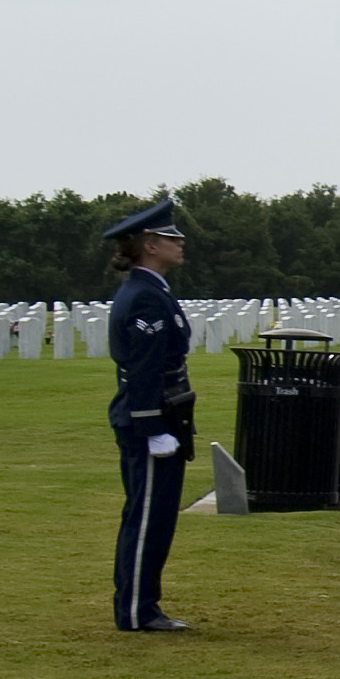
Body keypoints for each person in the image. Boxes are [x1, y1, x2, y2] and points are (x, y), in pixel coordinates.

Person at [103, 197, 195, 632]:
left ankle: (143, 605)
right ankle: (137, 610)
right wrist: (153, 427)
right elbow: (143, 371)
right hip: (150, 420)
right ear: (149, 245)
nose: (181, 243)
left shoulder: (152, 290)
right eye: (171, 237)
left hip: (164, 416)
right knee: (146, 519)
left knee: (155, 517)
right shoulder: (144, 298)